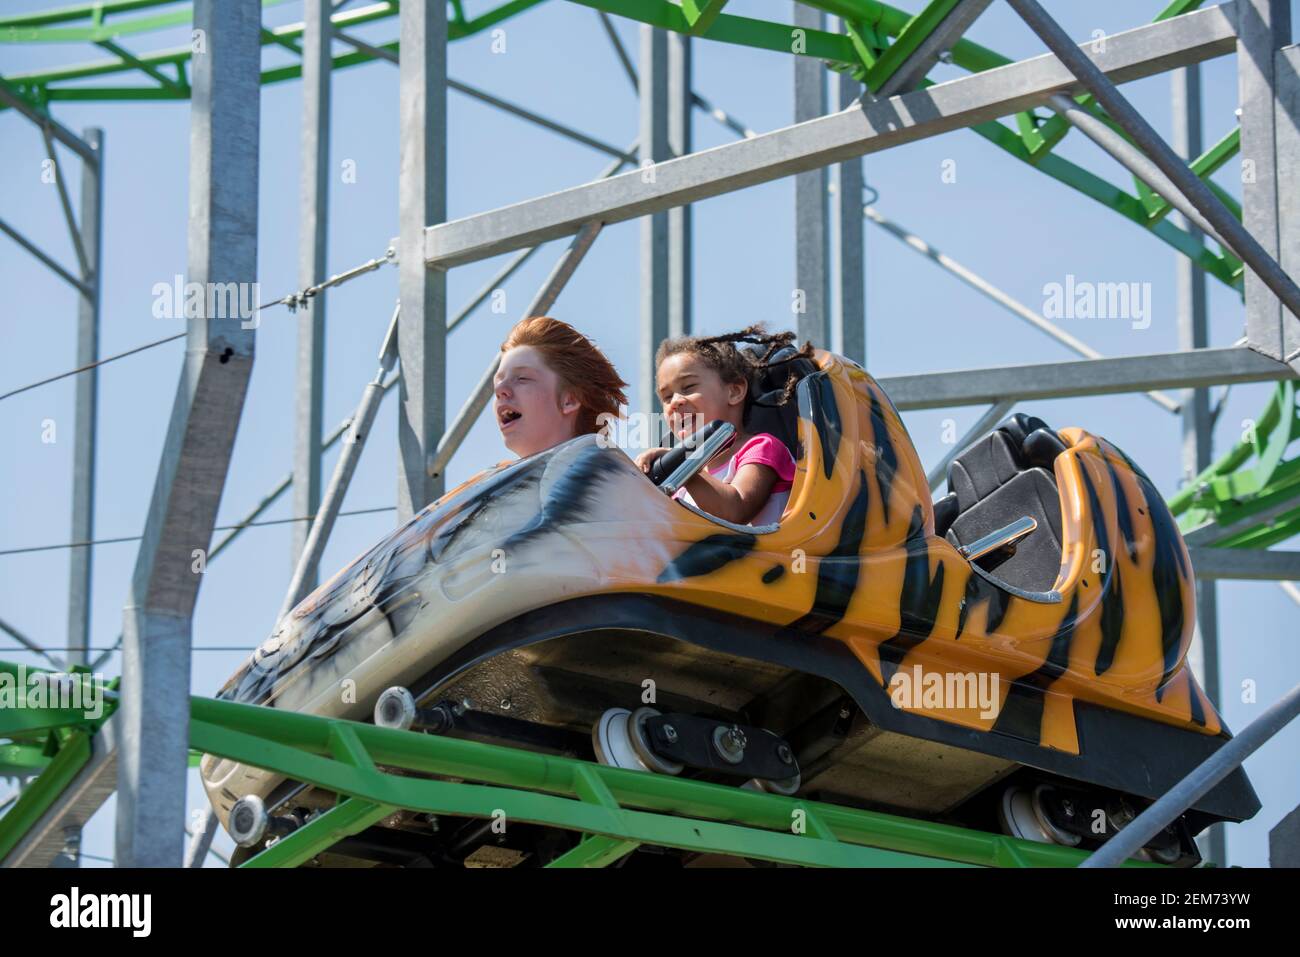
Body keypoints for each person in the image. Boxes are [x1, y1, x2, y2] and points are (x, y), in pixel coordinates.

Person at [635, 325, 809, 526]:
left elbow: (735, 510)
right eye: (666, 397)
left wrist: (679, 465)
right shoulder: (681, 489)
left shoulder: (762, 448)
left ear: (734, 392)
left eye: (689, 387)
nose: (675, 401)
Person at [494, 316, 628, 458]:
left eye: (522, 378)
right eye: (498, 381)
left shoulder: (614, 475)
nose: (499, 389)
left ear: (569, 399)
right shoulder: (492, 478)